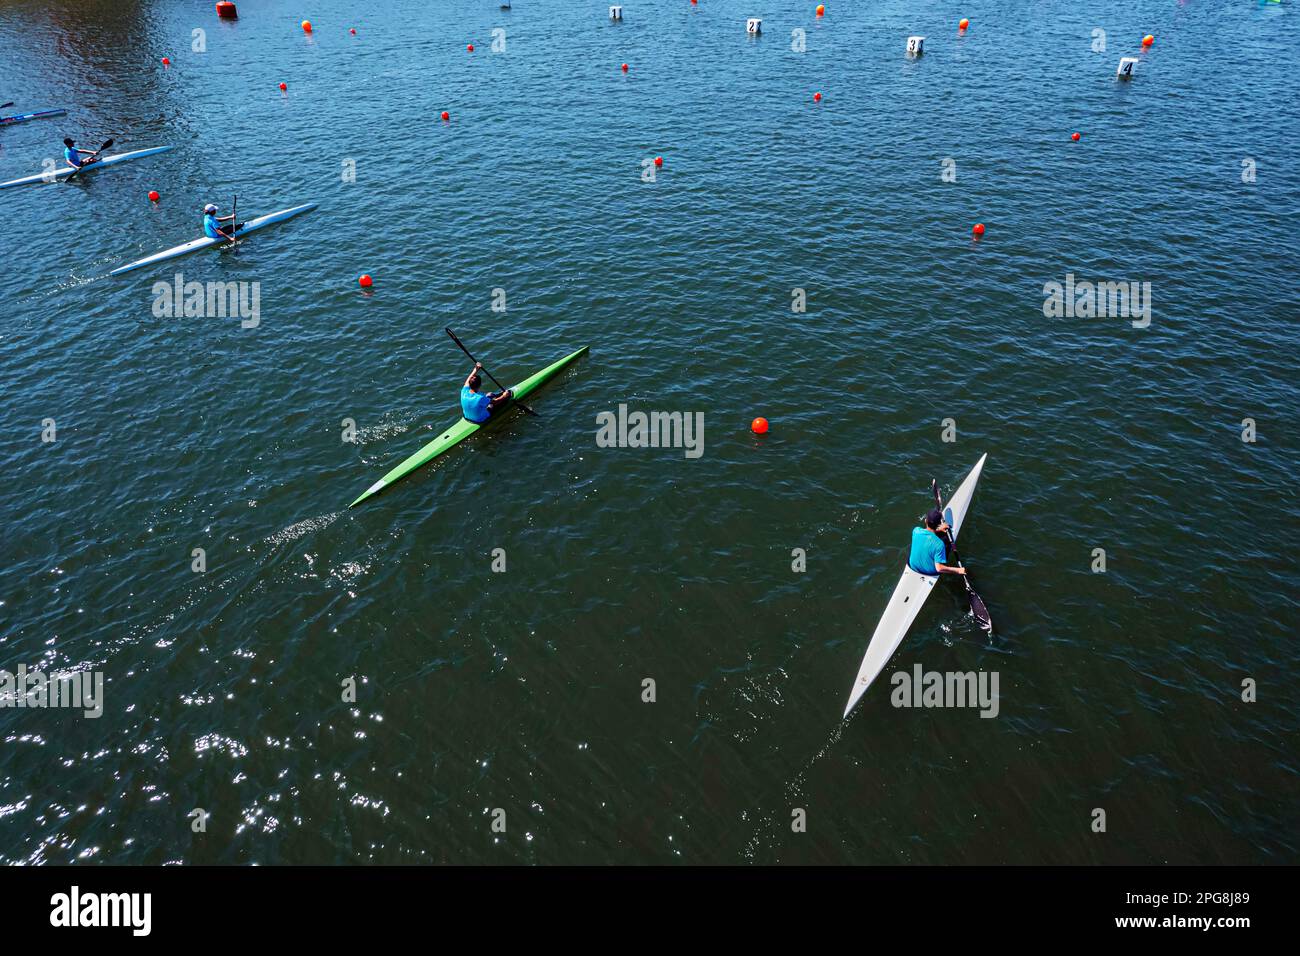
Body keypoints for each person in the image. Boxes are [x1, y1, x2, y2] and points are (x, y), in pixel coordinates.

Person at [908, 509, 968, 577]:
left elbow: (929, 530)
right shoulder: (939, 544)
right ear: (939, 524)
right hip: (930, 572)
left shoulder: (916, 530)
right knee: (945, 537)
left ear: (925, 521)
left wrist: (938, 529)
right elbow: (939, 569)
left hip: (911, 565)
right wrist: (958, 570)